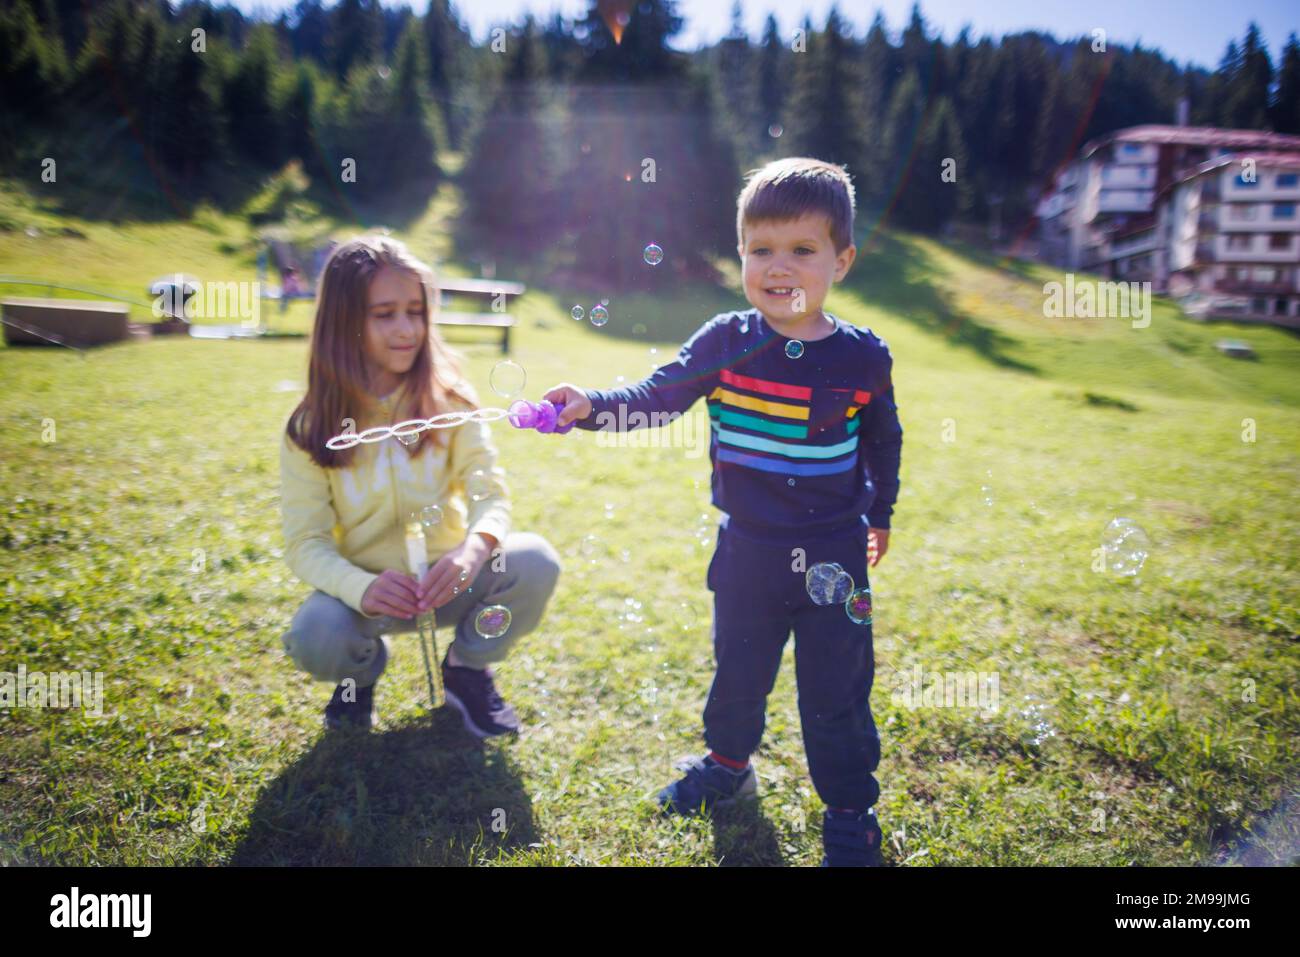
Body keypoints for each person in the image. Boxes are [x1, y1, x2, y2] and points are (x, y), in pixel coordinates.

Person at [544, 158, 902, 866]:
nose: (778, 267)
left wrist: (880, 511)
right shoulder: (724, 341)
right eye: (760, 248)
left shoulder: (864, 357)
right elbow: (658, 394)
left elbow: (884, 439)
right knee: (736, 671)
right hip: (746, 551)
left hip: (832, 551)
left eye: (803, 250)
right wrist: (590, 407)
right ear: (741, 253)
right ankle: (727, 767)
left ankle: (852, 812)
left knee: (836, 687)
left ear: (842, 261)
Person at [278, 235, 561, 736]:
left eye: (415, 311)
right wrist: (362, 589)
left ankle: (466, 673)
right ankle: (358, 676)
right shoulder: (310, 426)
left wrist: (474, 551)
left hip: (448, 581)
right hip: (365, 598)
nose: (407, 329)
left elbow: (489, 493)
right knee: (314, 634)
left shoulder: (451, 399)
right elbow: (306, 543)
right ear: (344, 323)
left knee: (534, 561)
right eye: (384, 314)